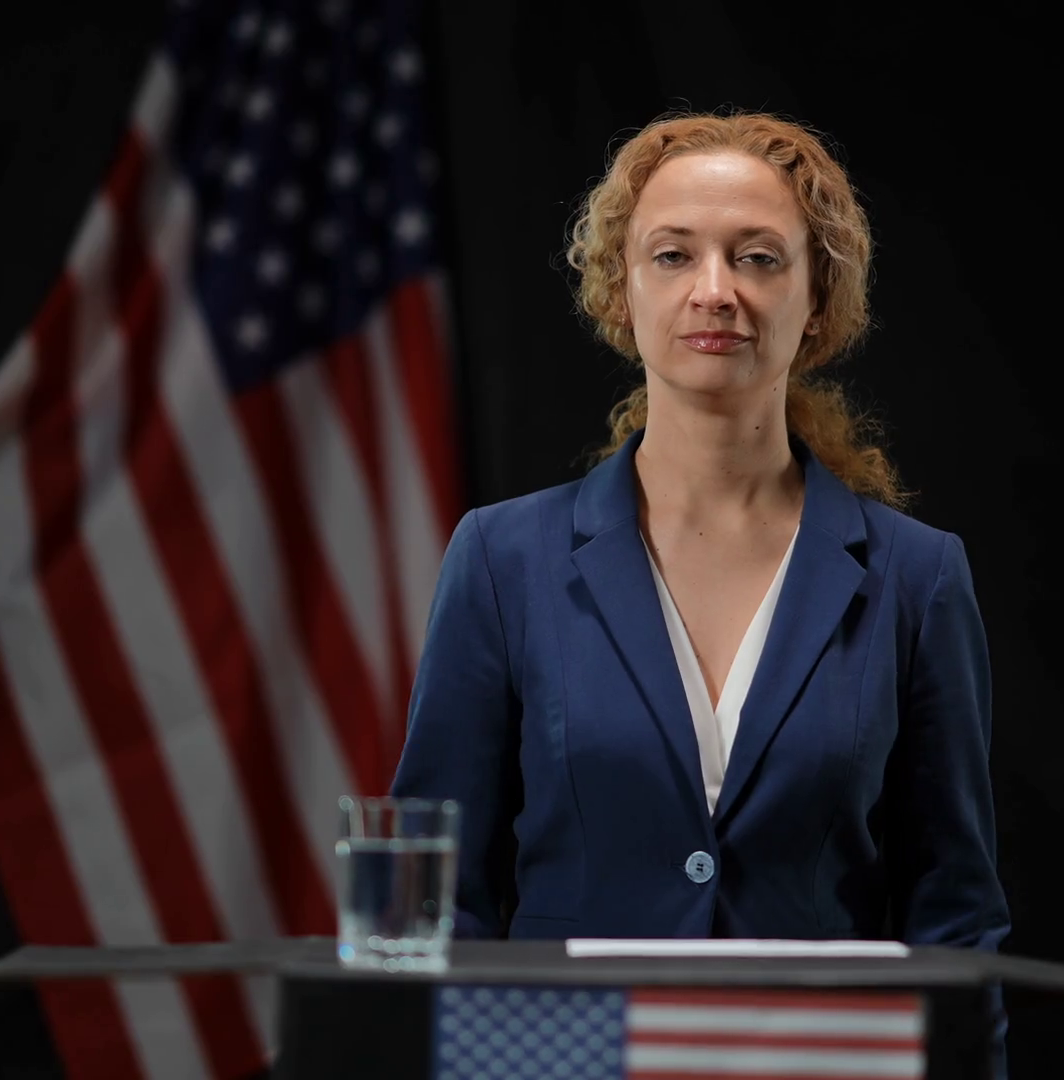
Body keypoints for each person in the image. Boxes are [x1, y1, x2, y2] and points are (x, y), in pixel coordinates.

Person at [390, 109, 1010, 1064]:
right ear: (621, 289)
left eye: (757, 258)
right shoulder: (501, 560)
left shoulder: (917, 578)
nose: (714, 291)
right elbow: (435, 905)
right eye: (673, 255)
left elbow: (956, 922)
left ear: (818, 298)